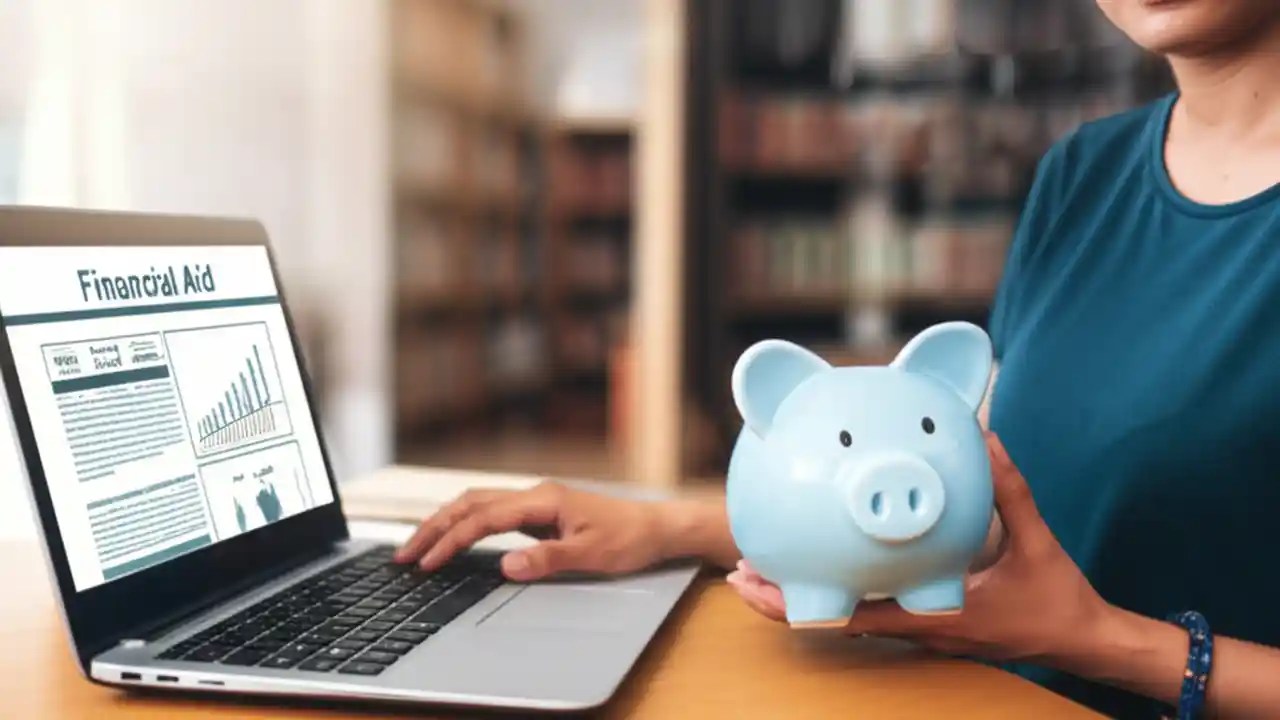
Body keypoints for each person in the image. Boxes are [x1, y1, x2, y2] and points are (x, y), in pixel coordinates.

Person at [396, 1, 1280, 716]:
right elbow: (980, 506)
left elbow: (1054, 608)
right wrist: (665, 527)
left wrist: (1097, 642)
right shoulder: (1082, 175)